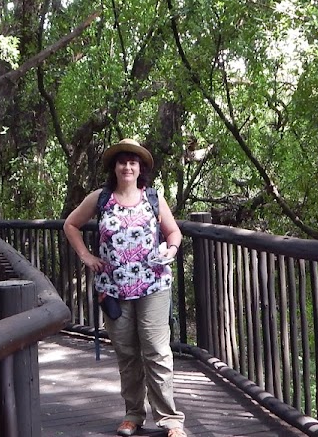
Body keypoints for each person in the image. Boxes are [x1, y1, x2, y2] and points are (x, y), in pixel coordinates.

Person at [62, 138, 187, 437]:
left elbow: (174, 233)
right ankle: (133, 415)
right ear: (114, 167)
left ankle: (171, 420)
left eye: (133, 162)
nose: (127, 166)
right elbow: (70, 224)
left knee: (156, 350)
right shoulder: (101, 198)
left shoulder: (154, 198)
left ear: (140, 167)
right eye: (122, 161)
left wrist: (170, 251)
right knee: (127, 353)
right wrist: (86, 256)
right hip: (113, 288)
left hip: (153, 285)